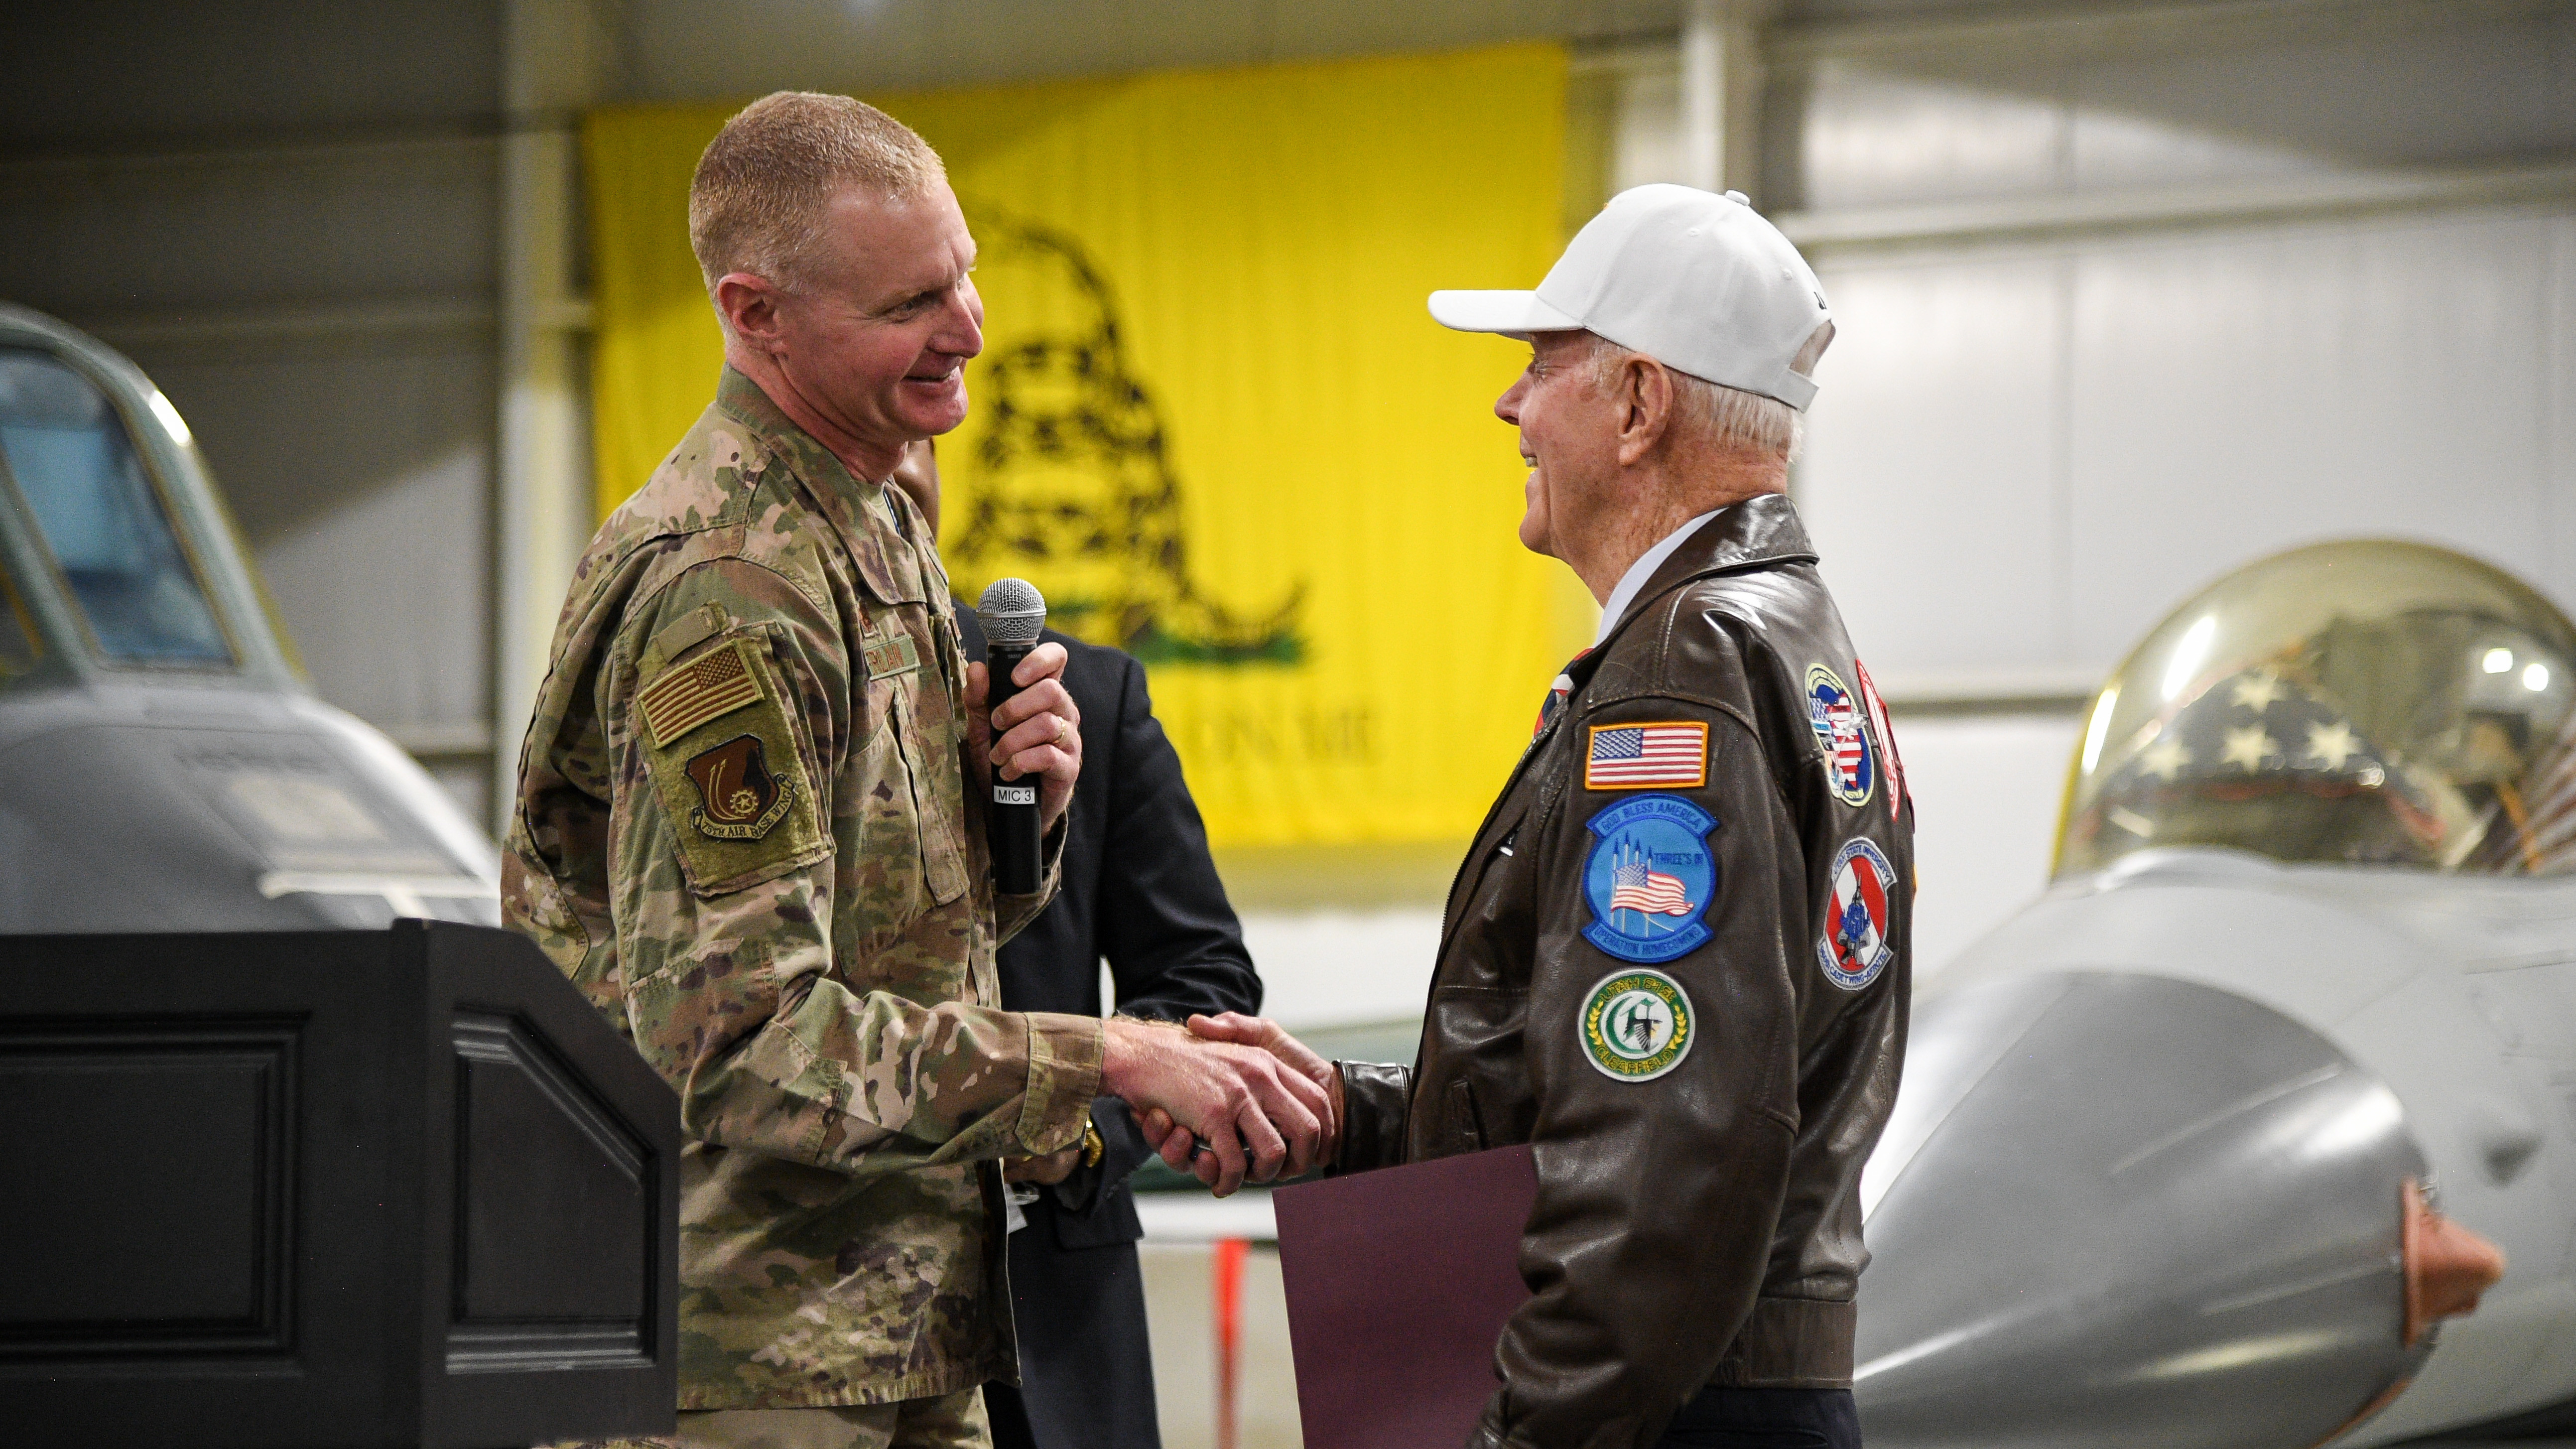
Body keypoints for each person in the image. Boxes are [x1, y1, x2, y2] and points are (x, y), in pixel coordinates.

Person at [502, 93, 1325, 1449]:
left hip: (898, 1326)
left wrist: (1022, 831)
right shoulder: (731, 584)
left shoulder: (872, 514)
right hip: (744, 1357)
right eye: (908, 303)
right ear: (755, 314)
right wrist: (1106, 1052)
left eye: (964, 276)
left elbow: (883, 953)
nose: (967, 330)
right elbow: (745, 1046)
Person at [1165, 184, 1913, 1449]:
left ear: (1637, 404)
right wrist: (1355, 1121)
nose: (1509, 405)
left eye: (1541, 362)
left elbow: (1660, 1142)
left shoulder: (1685, 675)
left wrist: (1528, 1435)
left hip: (1665, 1409)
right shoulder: (1786, 639)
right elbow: (1636, 1080)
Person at [894, 438, 1261, 1449]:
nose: (898, 468)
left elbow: (1205, 983)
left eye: (917, 442)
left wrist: (1079, 1135)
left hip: (1046, 1304)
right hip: (813, 1320)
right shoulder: (761, 711)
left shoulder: (1084, 701)